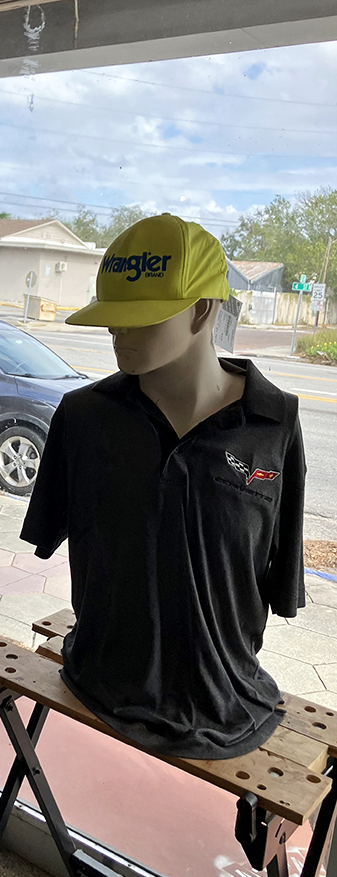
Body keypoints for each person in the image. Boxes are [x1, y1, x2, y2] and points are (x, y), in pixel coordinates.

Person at [21, 213, 306, 760]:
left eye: (140, 316)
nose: (114, 330)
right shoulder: (82, 418)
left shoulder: (275, 425)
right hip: (99, 678)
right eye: (112, 315)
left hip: (229, 705)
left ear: (203, 308)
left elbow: (281, 578)